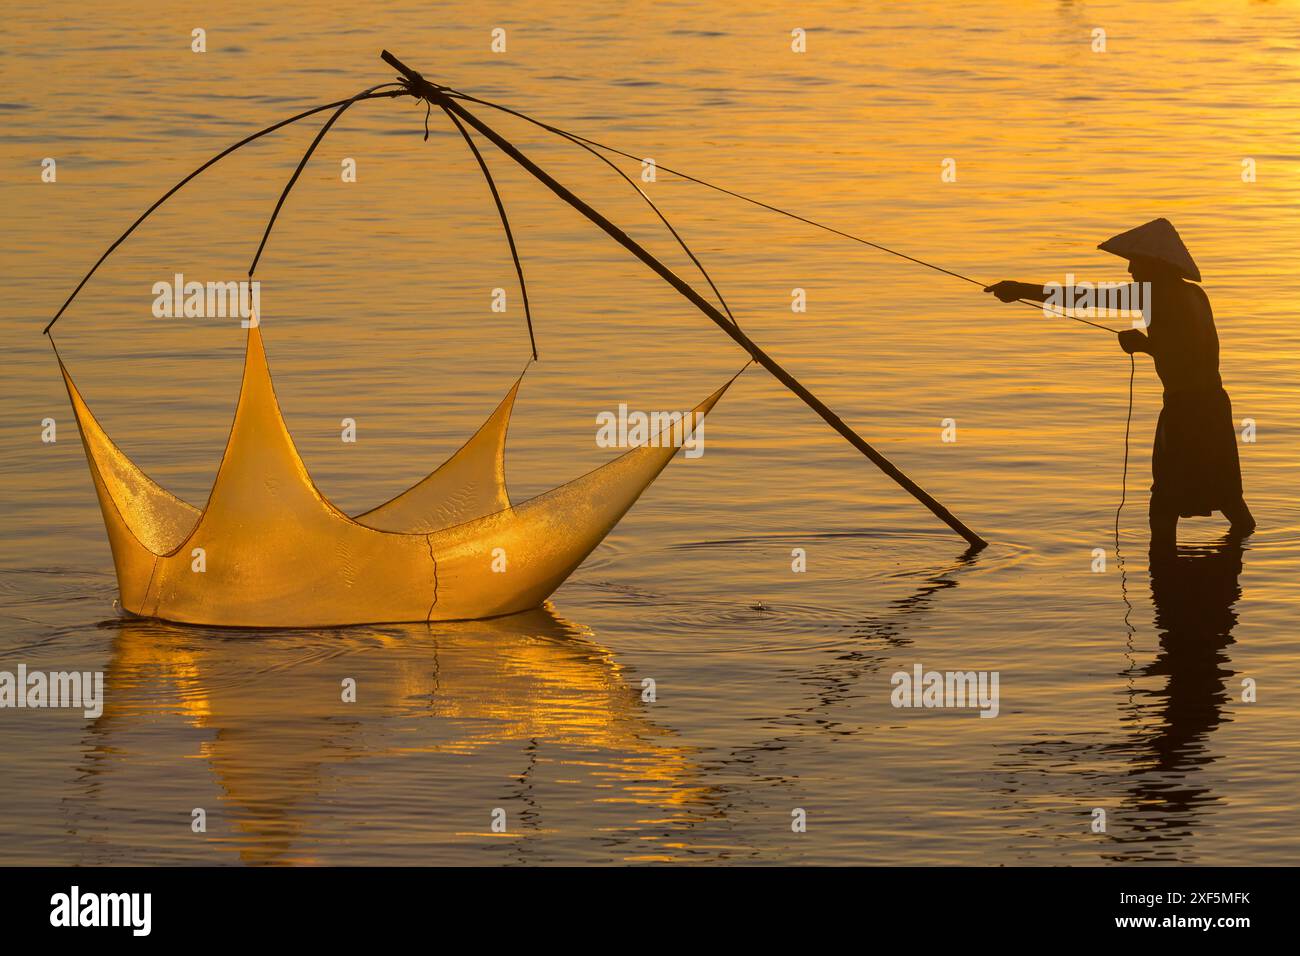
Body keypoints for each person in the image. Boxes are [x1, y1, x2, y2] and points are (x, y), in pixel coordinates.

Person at [983, 218, 1254, 553]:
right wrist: (1022, 290)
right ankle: (1232, 555)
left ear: (1155, 265)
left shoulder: (1156, 296)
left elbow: (1086, 298)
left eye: (1134, 262)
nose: (1129, 270)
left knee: (1164, 507)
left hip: (1187, 411)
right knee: (1225, 493)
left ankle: (1166, 582)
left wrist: (1144, 345)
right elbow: (1199, 351)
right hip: (1212, 406)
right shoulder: (1193, 295)